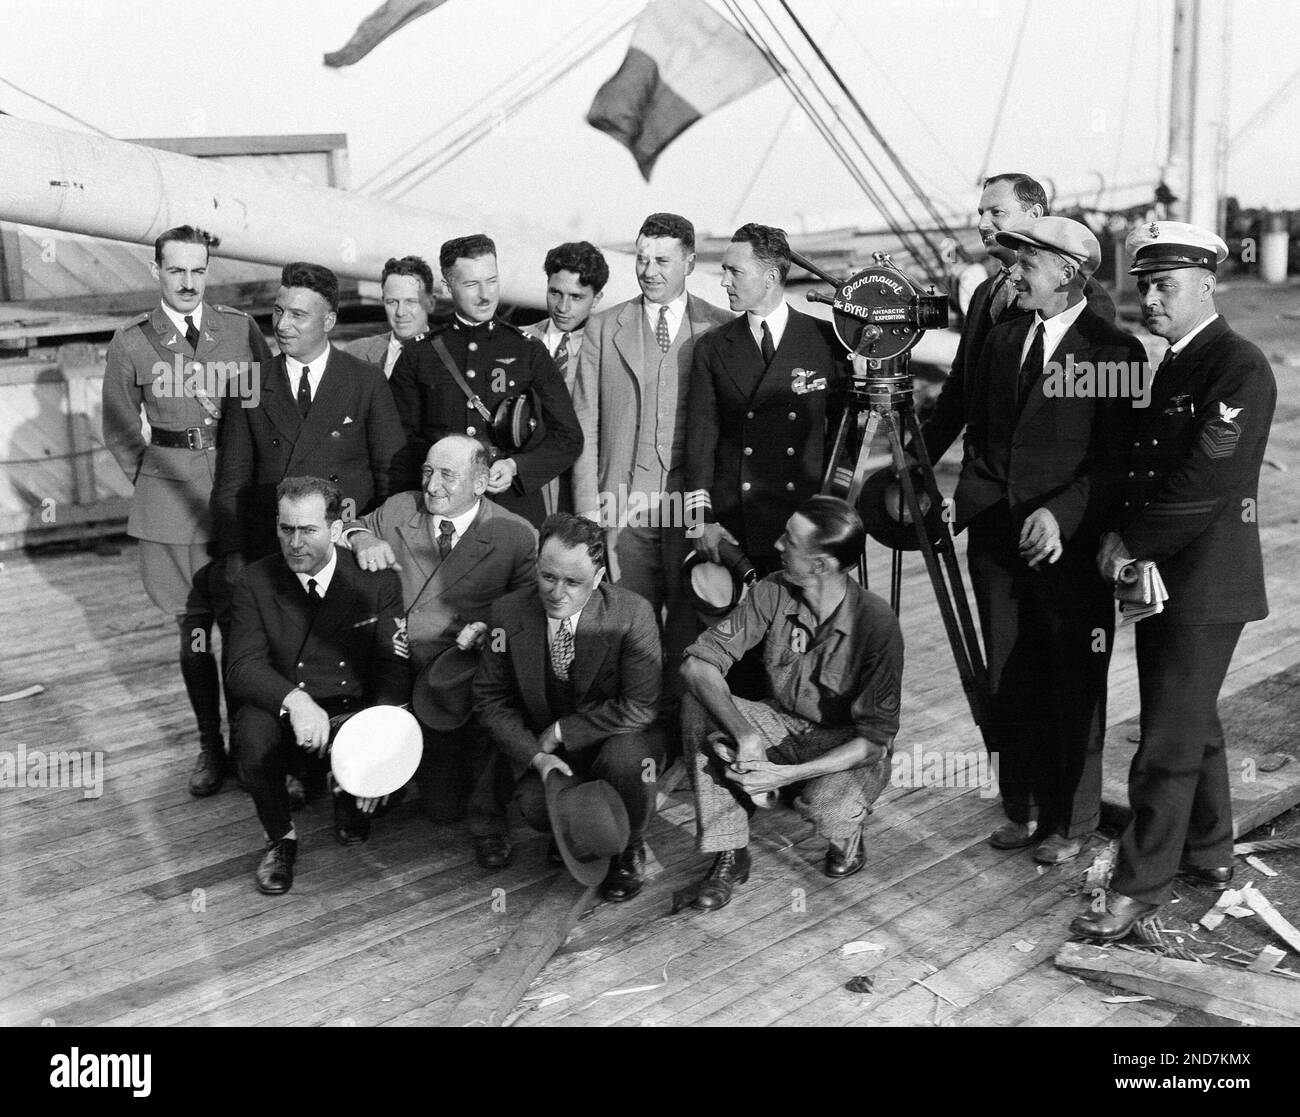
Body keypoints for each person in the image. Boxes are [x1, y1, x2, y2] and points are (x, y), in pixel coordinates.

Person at [1072, 221, 1277, 941]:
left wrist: (1130, 541)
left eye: (1164, 285)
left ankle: (1138, 886)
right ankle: (1210, 851)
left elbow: (1206, 481)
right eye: (1144, 284)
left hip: (1205, 582)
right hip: (1172, 577)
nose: (1148, 298)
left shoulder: (1237, 366)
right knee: (1192, 719)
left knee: (1165, 738)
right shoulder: (1181, 362)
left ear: (1206, 285)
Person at [956, 216, 1148, 864]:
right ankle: (1024, 805)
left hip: (1069, 549)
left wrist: (1061, 516)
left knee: (1073, 682)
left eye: (1026, 265)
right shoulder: (1005, 337)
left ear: (1066, 273)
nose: (1011, 274)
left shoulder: (1112, 353)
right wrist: (974, 506)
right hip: (999, 543)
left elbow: (1117, 462)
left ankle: (1072, 819)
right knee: (1011, 676)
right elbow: (982, 434)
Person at [101, 224, 272, 796]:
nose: (189, 282)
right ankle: (209, 745)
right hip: (170, 500)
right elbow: (122, 429)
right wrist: (152, 481)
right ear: (157, 272)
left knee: (245, 626)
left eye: (198, 270)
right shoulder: (132, 341)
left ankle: (253, 748)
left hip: (236, 496)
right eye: (176, 270)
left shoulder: (241, 329)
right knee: (194, 629)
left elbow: (266, 408)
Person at [679, 496, 902, 911]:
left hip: (848, 745)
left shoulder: (877, 623)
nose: (778, 545)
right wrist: (745, 735)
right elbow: (697, 665)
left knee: (829, 807)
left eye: (790, 540)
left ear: (820, 565)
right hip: (780, 722)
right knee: (698, 702)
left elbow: (875, 743)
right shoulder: (773, 591)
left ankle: (846, 836)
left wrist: (786, 775)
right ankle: (729, 850)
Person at [343, 434, 537, 868]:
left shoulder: (515, 535)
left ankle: (490, 822)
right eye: (427, 471)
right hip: (394, 665)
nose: (432, 486)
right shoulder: (399, 508)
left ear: (482, 481)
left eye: (447, 475)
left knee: (495, 699)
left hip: (458, 675)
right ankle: (382, 782)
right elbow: (349, 524)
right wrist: (359, 538)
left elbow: (530, 611)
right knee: (436, 807)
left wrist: (491, 627)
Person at [226, 477, 411, 895]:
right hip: (291, 713)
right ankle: (281, 838)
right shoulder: (256, 581)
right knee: (251, 735)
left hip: (351, 715)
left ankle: (347, 791)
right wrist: (294, 699)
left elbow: (393, 668)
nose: (294, 542)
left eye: (307, 530)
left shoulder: (374, 581)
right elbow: (241, 666)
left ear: (333, 530)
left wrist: (378, 758)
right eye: (285, 528)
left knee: (382, 802)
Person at [473, 513, 665, 902]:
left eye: (574, 582)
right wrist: (536, 758)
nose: (557, 592)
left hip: (615, 741)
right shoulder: (506, 615)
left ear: (598, 579)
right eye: (548, 577)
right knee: (532, 806)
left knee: (627, 758)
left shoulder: (633, 614)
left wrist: (563, 731)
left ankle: (629, 845)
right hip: (550, 755)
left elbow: (641, 706)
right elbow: (489, 699)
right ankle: (579, 829)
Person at [571, 213, 731, 670]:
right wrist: (589, 507)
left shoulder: (719, 328)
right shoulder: (604, 328)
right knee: (628, 624)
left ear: (691, 263)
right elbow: (586, 421)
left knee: (693, 623)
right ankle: (639, 728)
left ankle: (688, 722)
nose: (649, 271)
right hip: (623, 504)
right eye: (642, 259)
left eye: (662, 260)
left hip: (692, 502)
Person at [211, 261, 406, 569]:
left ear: (328, 321)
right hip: (272, 548)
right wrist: (233, 555)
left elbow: (391, 476)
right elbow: (233, 482)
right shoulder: (247, 383)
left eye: (297, 315)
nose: (282, 325)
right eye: (278, 311)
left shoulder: (365, 381)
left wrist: (372, 537)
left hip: (348, 545)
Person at [919, 173, 1116, 467]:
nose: (983, 224)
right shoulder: (984, 292)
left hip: (1042, 478)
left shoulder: (1085, 299)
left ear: (1034, 214)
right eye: (981, 213)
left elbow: (1086, 410)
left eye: (996, 212)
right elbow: (960, 387)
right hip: (981, 476)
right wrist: (918, 459)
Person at [389, 234, 583, 528]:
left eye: (492, 281)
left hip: (511, 511)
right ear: (447, 286)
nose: (485, 294)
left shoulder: (527, 350)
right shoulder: (419, 355)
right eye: (471, 284)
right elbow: (398, 444)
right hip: (438, 510)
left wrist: (517, 466)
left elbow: (568, 437)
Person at [684, 223, 846, 576]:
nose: (724, 281)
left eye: (734, 271)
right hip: (733, 528)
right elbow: (699, 445)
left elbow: (845, 439)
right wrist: (699, 520)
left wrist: (837, 512)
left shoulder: (825, 343)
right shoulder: (712, 349)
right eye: (725, 270)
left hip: (806, 528)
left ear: (771, 277)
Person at [523, 241, 610, 516]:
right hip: (523, 486)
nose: (562, 306)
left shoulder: (607, 353)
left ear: (596, 299)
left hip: (580, 493)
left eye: (576, 297)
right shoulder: (518, 340)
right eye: (555, 293)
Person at [338, 255, 436, 378]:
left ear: (430, 303)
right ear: (383, 301)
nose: (400, 312)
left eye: (411, 301)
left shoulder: (454, 355)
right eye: (392, 302)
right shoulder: (354, 355)